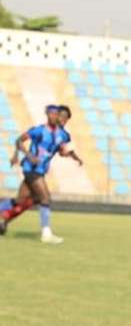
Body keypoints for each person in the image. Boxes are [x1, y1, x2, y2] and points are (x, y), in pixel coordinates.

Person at [1, 104, 82, 244]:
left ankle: (5, 215)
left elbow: (62, 150)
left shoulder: (62, 135)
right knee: (45, 198)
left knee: (19, 200)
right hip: (31, 168)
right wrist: (26, 154)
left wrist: (74, 157)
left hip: (40, 170)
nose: (60, 118)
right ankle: (46, 233)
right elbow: (19, 140)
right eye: (59, 115)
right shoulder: (39, 130)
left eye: (64, 117)